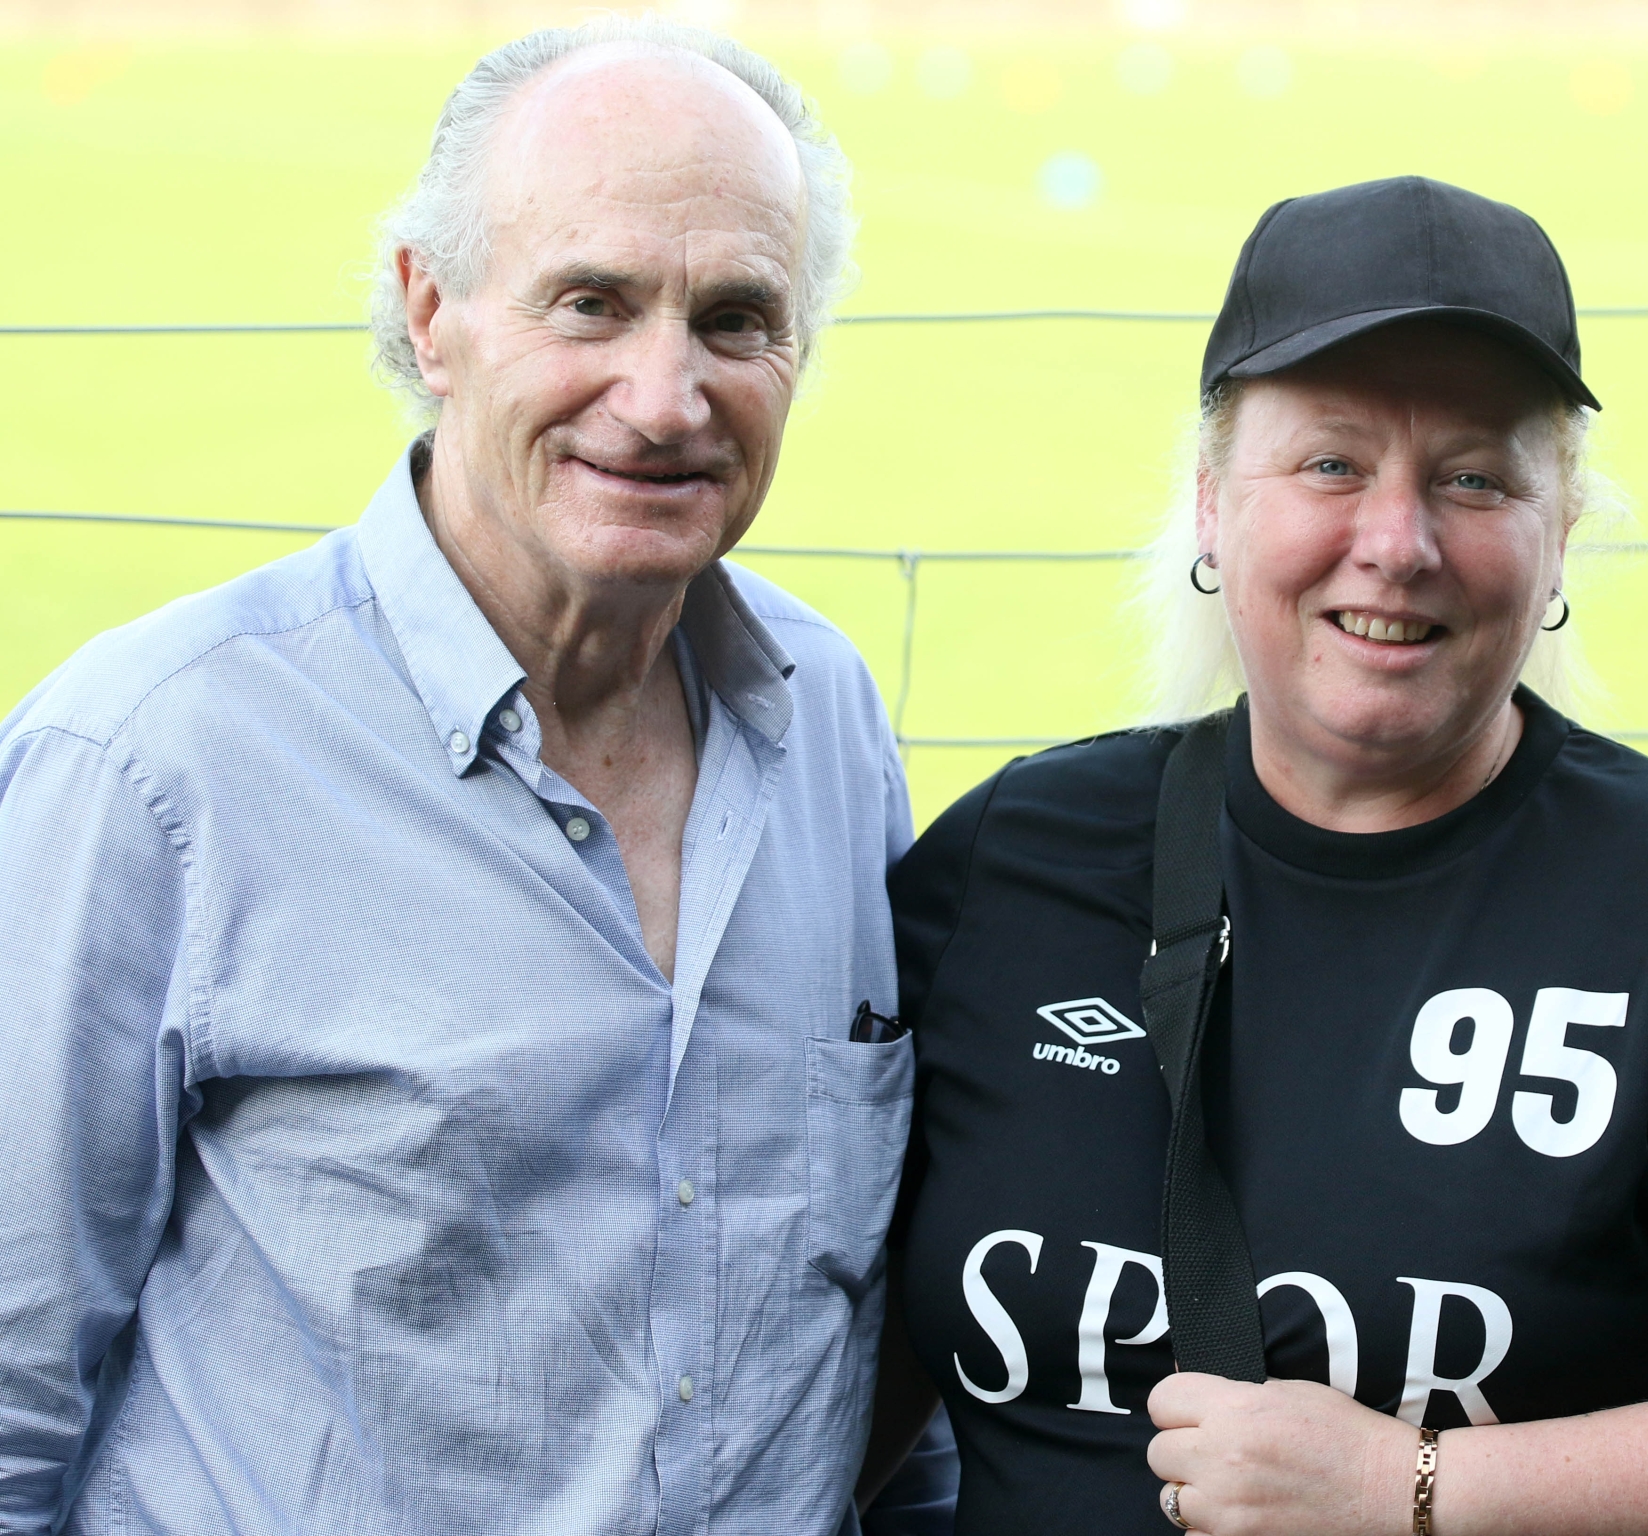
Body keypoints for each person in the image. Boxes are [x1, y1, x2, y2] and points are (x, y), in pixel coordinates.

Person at [0, 17, 946, 1534]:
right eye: (592, 301)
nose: (663, 395)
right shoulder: (153, 763)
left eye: (734, 318)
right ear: (431, 314)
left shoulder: (823, 716)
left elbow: (867, 1325)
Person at [867, 176, 1648, 1535]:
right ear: (1209, 505)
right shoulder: (1010, 863)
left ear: (1560, 541)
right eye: (1331, 465)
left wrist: (1415, 1486)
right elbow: (846, 1331)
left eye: (1475, 477)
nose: (1397, 543)